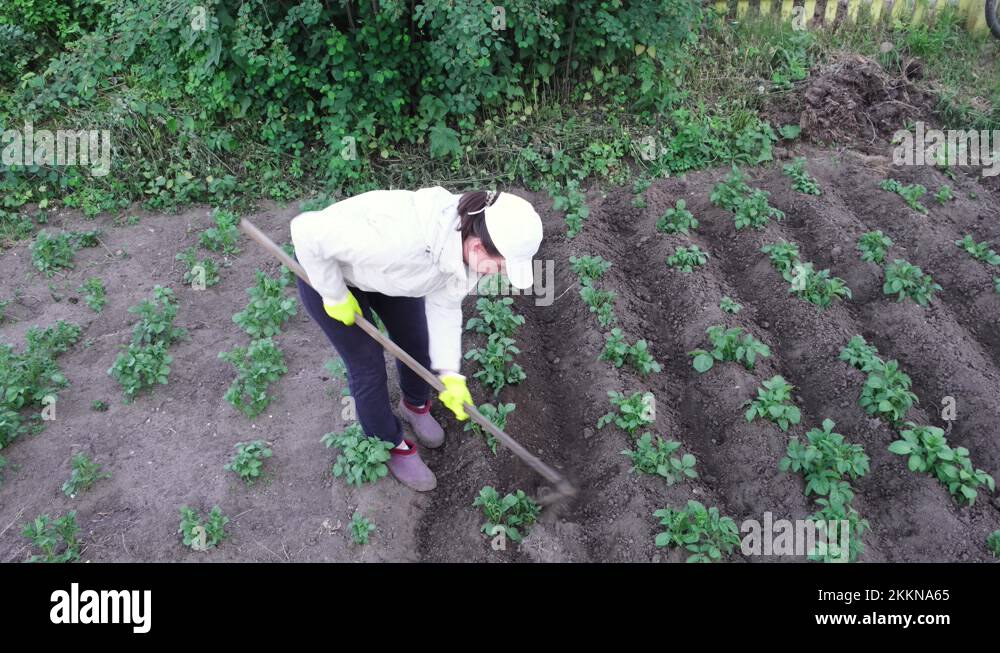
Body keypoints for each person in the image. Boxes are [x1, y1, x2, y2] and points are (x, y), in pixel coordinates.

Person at [289, 188, 543, 491]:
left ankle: (415, 405)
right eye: (500, 265)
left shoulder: (466, 255)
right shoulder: (400, 239)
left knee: (417, 342)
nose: (498, 273)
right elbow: (304, 231)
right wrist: (333, 294)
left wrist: (450, 375)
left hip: (394, 277)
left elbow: (445, 309)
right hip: (329, 272)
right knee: (367, 366)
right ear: (478, 245)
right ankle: (390, 443)